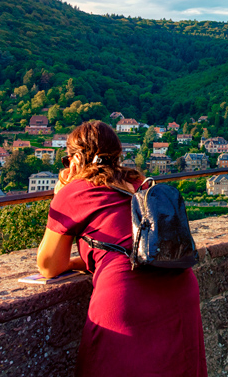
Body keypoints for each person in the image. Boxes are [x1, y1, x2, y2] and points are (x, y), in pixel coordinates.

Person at [37, 121, 207, 377]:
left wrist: (62, 194)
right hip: (179, 288)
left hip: (126, 299)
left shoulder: (74, 192)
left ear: (74, 160)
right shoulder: (138, 183)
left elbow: (49, 265)